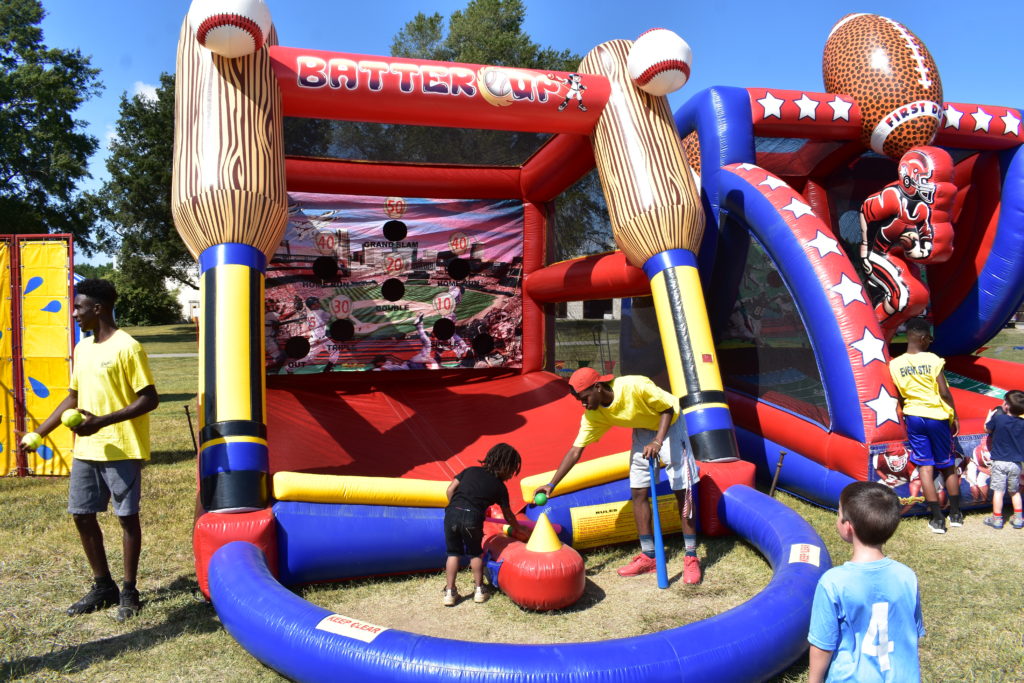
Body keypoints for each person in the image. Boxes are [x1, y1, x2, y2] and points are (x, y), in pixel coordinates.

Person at [18, 279, 159, 621]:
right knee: (82, 514)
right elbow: (72, 397)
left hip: (122, 447)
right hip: (87, 448)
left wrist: (104, 421)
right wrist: (38, 434)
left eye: (79, 307)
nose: (75, 313)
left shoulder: (128, 347)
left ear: (98, 309)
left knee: (127, 518)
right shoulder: (83, 348)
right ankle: (103, 586)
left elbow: (149, 398)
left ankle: (129, 590)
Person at [534, 367, 702, 584]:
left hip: (669, 424)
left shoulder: (634, 386)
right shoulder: (594, 415)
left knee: (682, 490)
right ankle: (649, 557)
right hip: (643, 430)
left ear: (598, 387)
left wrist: (658, 442)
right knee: (638, 491)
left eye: (585, 398)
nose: (584, 404)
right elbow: (576, 450)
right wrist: (551, 484)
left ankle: (691, 556)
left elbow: (667, 409)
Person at [808, 481, 925, 682]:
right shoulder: (907, 576)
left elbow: (822, 645)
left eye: (838, 513)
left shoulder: (832, 582)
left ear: (848, 527)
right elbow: (911, 631)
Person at [888, 317, 962, 534]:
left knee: (925, 467)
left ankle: (937, 518)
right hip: (936, 416)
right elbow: (943, 391)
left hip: (913, 416)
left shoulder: (895, 364)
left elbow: (900, 394)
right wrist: (955, 415)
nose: (930, 341)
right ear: (921, 338)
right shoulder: (932, 359)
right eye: (929, 338)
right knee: (947, 464)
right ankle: (956, 513)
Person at [443, 443, 524, 606]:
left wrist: (455, 506)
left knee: (453, 553)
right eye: (511, 470)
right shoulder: (500, 487)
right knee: (475, 554)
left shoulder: (470, 470)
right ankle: (479, 589)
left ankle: (450, 592)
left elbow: (450, 490)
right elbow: (508, 515)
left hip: (451, 514)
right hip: (472, 518)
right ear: (504, 467)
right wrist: (518, 528)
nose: (510, 475)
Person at [982, 390, 1024, 529]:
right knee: (1015, 491)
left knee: (999, 491)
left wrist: (989, 417)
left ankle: (997, 519)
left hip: (999, 462)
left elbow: (987, 429)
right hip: (1016, 464)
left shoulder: (999, 419)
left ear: (1006, 406)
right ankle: (1018, 518)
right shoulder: (1022, 423)